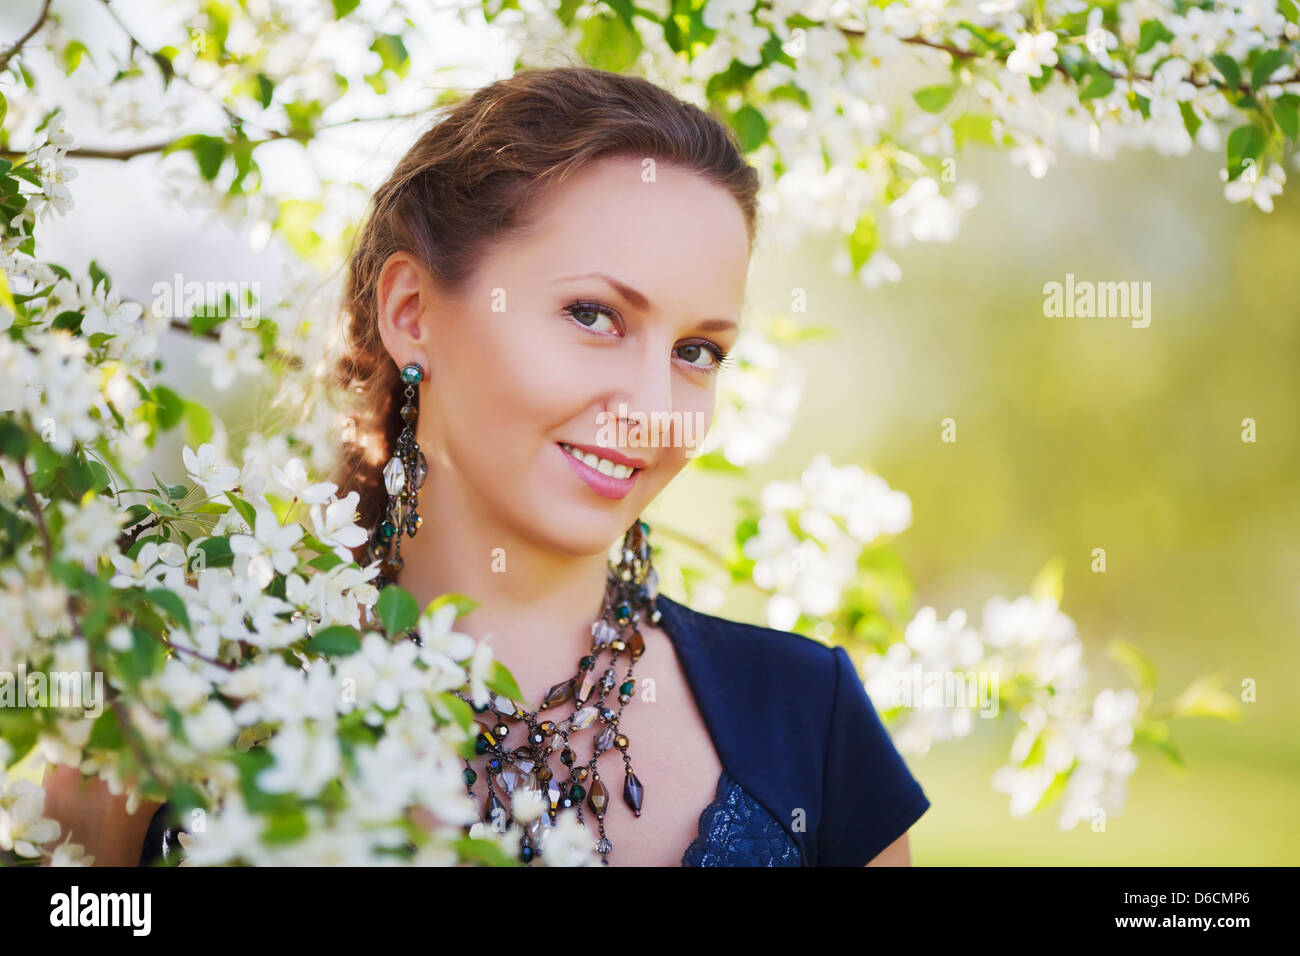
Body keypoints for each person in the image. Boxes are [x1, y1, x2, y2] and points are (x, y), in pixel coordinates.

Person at [135, 64, 928, 866]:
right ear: (413, 313)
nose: (652, 405)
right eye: (594, 315)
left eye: (697, 352)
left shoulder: (806, 718)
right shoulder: (179, 688)